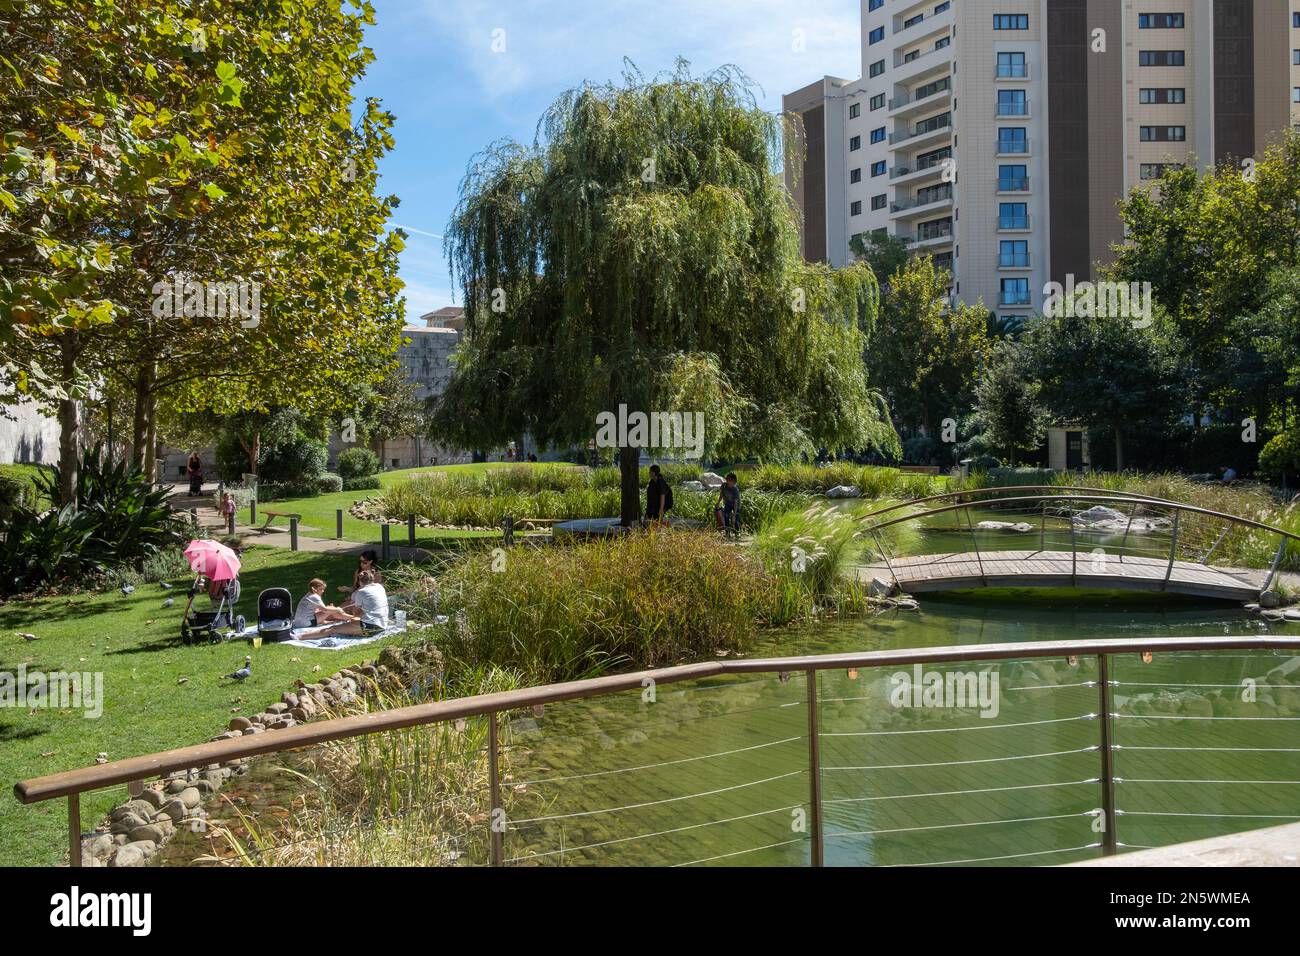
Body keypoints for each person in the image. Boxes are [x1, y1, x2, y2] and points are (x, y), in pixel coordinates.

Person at [320, 570, 388, 636]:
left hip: (370, 627)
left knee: (331, 629)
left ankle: (308, 636)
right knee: (350, 621)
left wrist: (344, 614)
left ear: (360, 581)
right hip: (383, 624)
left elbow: (356, 614)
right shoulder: (379, 586)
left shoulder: (361, 592)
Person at [293, 578, 358, 630]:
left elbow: (318, 609)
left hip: (300, 622)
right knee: (331, 609)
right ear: (314, 589)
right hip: (306, 623)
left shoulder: (309, 595)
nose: (323, 591)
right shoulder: (314, 597)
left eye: (323, 589)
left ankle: (349, 618)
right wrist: (337, 609)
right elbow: (325, 610)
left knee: (331, 608)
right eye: (321, 589)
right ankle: (353, 618)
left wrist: (333, 609)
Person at [718, 472, 741, 538]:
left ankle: (737, 532)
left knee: (736, 518)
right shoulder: (724, 486)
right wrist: (718, 502)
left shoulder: (735, 490)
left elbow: (736, 503)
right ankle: (727, 532)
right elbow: (721, 494)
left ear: (734, 482)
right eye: (728, 480)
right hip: (727, 503)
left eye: (732, 481)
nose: (729, 482)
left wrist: (734, 515)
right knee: (726, 516)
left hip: (736, 505)